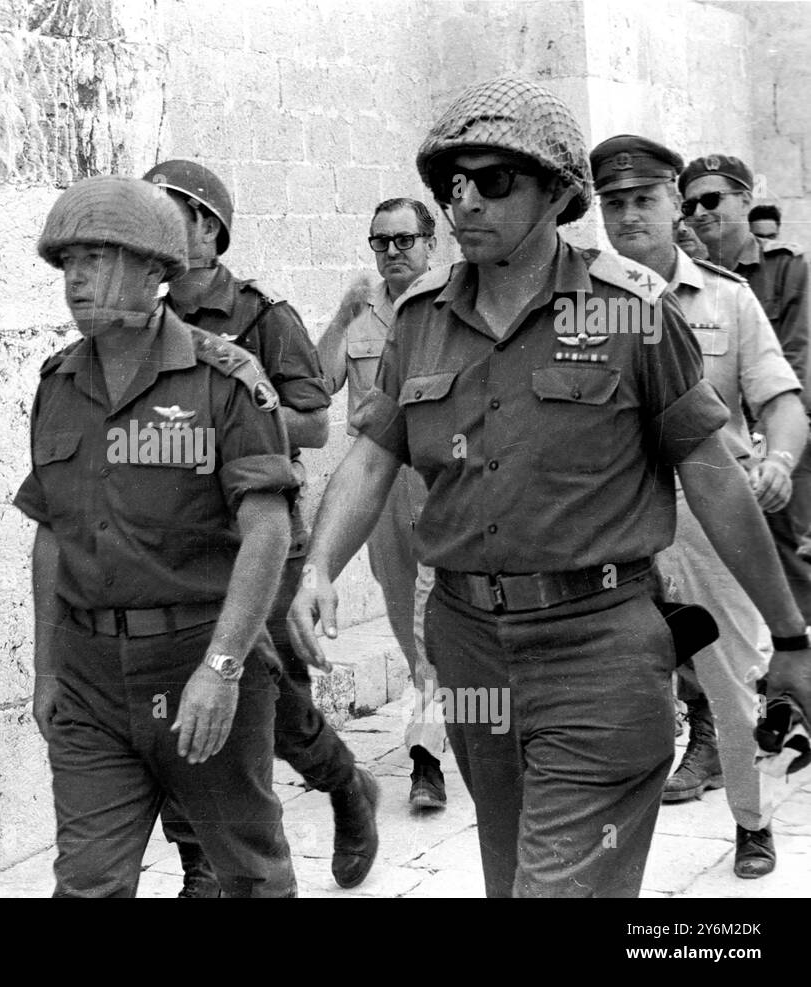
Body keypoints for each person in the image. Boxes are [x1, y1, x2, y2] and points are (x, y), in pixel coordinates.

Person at [288, 75, 811, 898]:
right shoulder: (420, 318)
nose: (465, 203)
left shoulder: (633, 311)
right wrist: (318, 566)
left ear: (557, 193)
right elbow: (370, 452)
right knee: (512, 874)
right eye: (452, 184)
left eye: (494, 180)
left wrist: (790, 635)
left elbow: (711, 476)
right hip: (466, 645)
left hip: (598, 646)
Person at [19, 174, 298, 897]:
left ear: (154, 270)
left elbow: (267, 525)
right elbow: (50, 536)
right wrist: (48, 667)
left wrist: (224, 666)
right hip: (88, 679)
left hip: (196, 659)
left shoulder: (225, 379)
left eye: (97, 258)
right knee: (87, 882)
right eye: (68, 262)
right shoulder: (57, 384)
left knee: (248, 874)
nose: (75, 278)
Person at [140, 159, 378, 895]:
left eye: (166, 214)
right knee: (189, 705)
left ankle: (345, 784)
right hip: (176, 550)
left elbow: (312, 421)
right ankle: (202, 870)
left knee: (270, 709)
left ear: (208, 227)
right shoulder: (140, 318)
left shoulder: (263, 315)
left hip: (259, 539)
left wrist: (238, 410)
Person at [592, 134, 807, 877]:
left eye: (643, 200)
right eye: (612, 203)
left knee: (737, 682)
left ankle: (753, 821)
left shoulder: (726, 297)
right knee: (613, 692)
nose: (628, 217)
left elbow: (783, 401)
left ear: (673, 204)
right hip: (613, 522)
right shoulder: (577, 302)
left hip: (710, 518)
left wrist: (777, 457)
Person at [317, 197, 448, 809]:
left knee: (435, 620)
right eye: (380, 242)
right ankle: (446, 733)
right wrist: (342, 319)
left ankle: (426, 755)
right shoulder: (363, 313)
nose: (392, 253)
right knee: (405, 616)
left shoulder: (454, 305)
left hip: (444, 481)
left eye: (403, 241)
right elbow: (316, 387)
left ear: (430, 243)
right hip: (382, 489)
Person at [682, 155, 811, 627]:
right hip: (716, 448)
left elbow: (796, 364)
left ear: (745, 199)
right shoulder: (686, 282)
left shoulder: (786, 267)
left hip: (782, 442)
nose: (698, 213)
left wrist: (767, 450)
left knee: (791, 558)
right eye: (689, 204)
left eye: (711, 200)